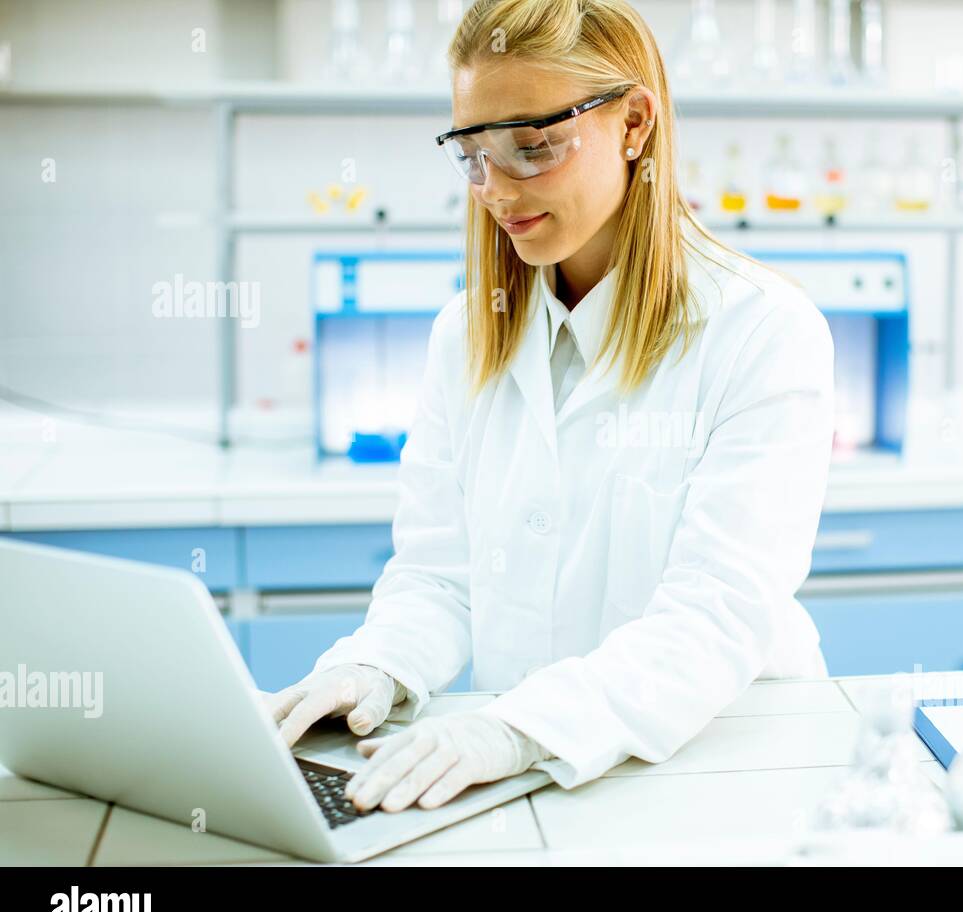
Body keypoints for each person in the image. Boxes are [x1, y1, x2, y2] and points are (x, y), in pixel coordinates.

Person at [268, 0, 834, 814]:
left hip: (718, 778)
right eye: (473, 154)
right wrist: (372, 667)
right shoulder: (465, 334)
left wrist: (514, 731)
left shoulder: (763, 332)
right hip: (536, 784)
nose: (496, 190)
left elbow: (715, 615)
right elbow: (438, 577)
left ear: (635, 123)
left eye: (531, 149)